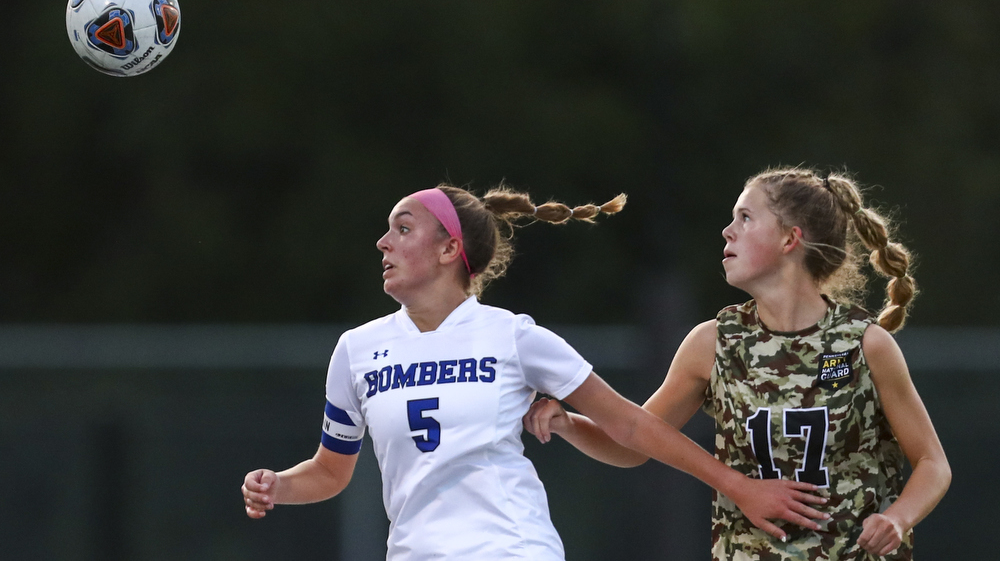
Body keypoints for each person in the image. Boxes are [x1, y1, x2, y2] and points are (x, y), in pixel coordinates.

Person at [241, 183, 826, 561]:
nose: (381, 242)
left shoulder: (512, 336)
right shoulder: (357, 350)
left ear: (450, 251)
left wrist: (739, 487)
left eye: (402, 228)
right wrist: (281, 486)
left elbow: (629, 426)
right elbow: (331, 471)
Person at [523, 167, 951, 560]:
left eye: (745, 218)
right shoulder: (713, 342)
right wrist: (567, 424)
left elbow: (933, 464)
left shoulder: (865, 344)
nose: (728, 231)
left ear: (790, 239)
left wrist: (898, 517)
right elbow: (633, 443)